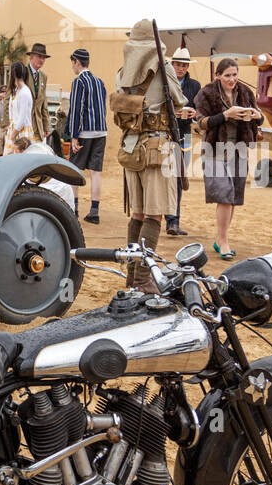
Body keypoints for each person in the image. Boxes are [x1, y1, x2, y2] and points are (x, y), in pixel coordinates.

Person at [111, 19, 197, 293]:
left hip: (130, 148)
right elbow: (180, 99)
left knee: (136, 214)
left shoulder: (122, 72)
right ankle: (142, 278)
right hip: (157, 149)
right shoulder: (164, 67)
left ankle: (132, 275)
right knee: (154, 216)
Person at [192, 57, 262, 260]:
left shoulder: (246, 92)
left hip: (239, 150)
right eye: (227, 75)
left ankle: (220, 238)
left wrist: (257, 116)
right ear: (218, 75)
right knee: (224, 193)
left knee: (232, 197)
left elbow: (259, 118)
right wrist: (226, 114)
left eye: (234, 75)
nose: (232, 79)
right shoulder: (207, 93)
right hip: (215, 150)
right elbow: (201, 123)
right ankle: (223, 241)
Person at [66, 47, 107, 224]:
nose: (72, 67)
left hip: (84, 133)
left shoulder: (78, 82)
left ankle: (73, 209)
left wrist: (74, 136)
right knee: (95, 172)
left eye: (72, 63)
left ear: (77, 62)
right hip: (101, 131)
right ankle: (94, 212)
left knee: (74, 171)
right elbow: (103, 109)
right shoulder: (100, 82)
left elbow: (76, 109)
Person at [166, 47, 202, 236]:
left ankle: (174, 221)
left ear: (187, 67)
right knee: (166, 177)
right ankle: (169, 219)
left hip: (185, 134)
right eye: (177, 64)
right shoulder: (164, 83)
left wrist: (194, 114)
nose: (180, 68)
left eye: (183, 65)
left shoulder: (195, 86)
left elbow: (199, 109)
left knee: (179, 177)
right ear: (172, 65)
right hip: (166, 135)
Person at [2, 60, 33, 155]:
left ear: (13, 74)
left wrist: (12, 137)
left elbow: (22, 119)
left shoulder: (24, 92)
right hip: (15, 130)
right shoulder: (16, 90)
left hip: (21, 133)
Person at [26, 43, 50, 143]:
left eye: (44, 58)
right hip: (24, 124)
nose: (42, 60)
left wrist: (46, 125)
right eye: (39, 57)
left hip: (38, 126)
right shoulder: (22, 72)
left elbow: (43, 102)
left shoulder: (43, 76)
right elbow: (9, 96)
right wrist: (6, 123)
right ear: (31, 57)